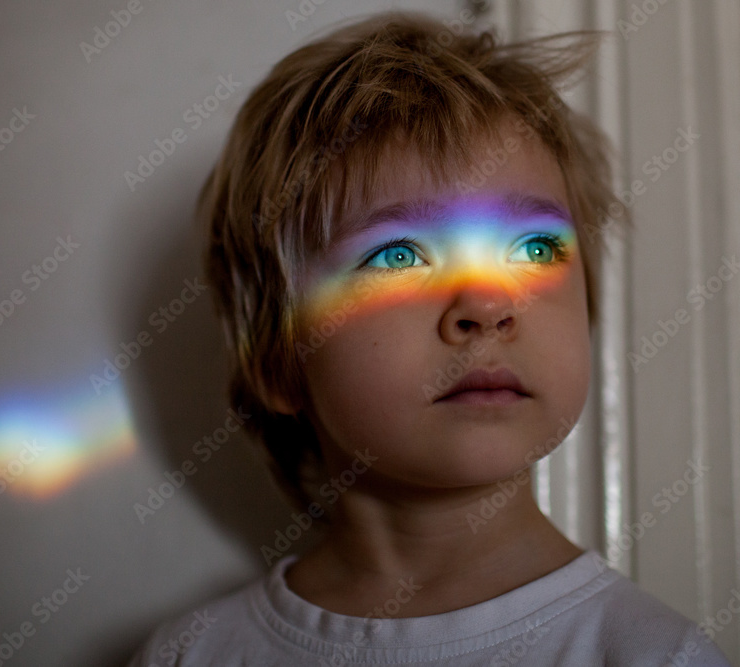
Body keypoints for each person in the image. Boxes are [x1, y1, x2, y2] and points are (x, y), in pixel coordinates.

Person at [128, 11, 732, 666]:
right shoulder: (191, 654)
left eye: (533, 247)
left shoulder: (651, 654)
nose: (486, 303)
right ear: (278, 359)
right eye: (398, 256)